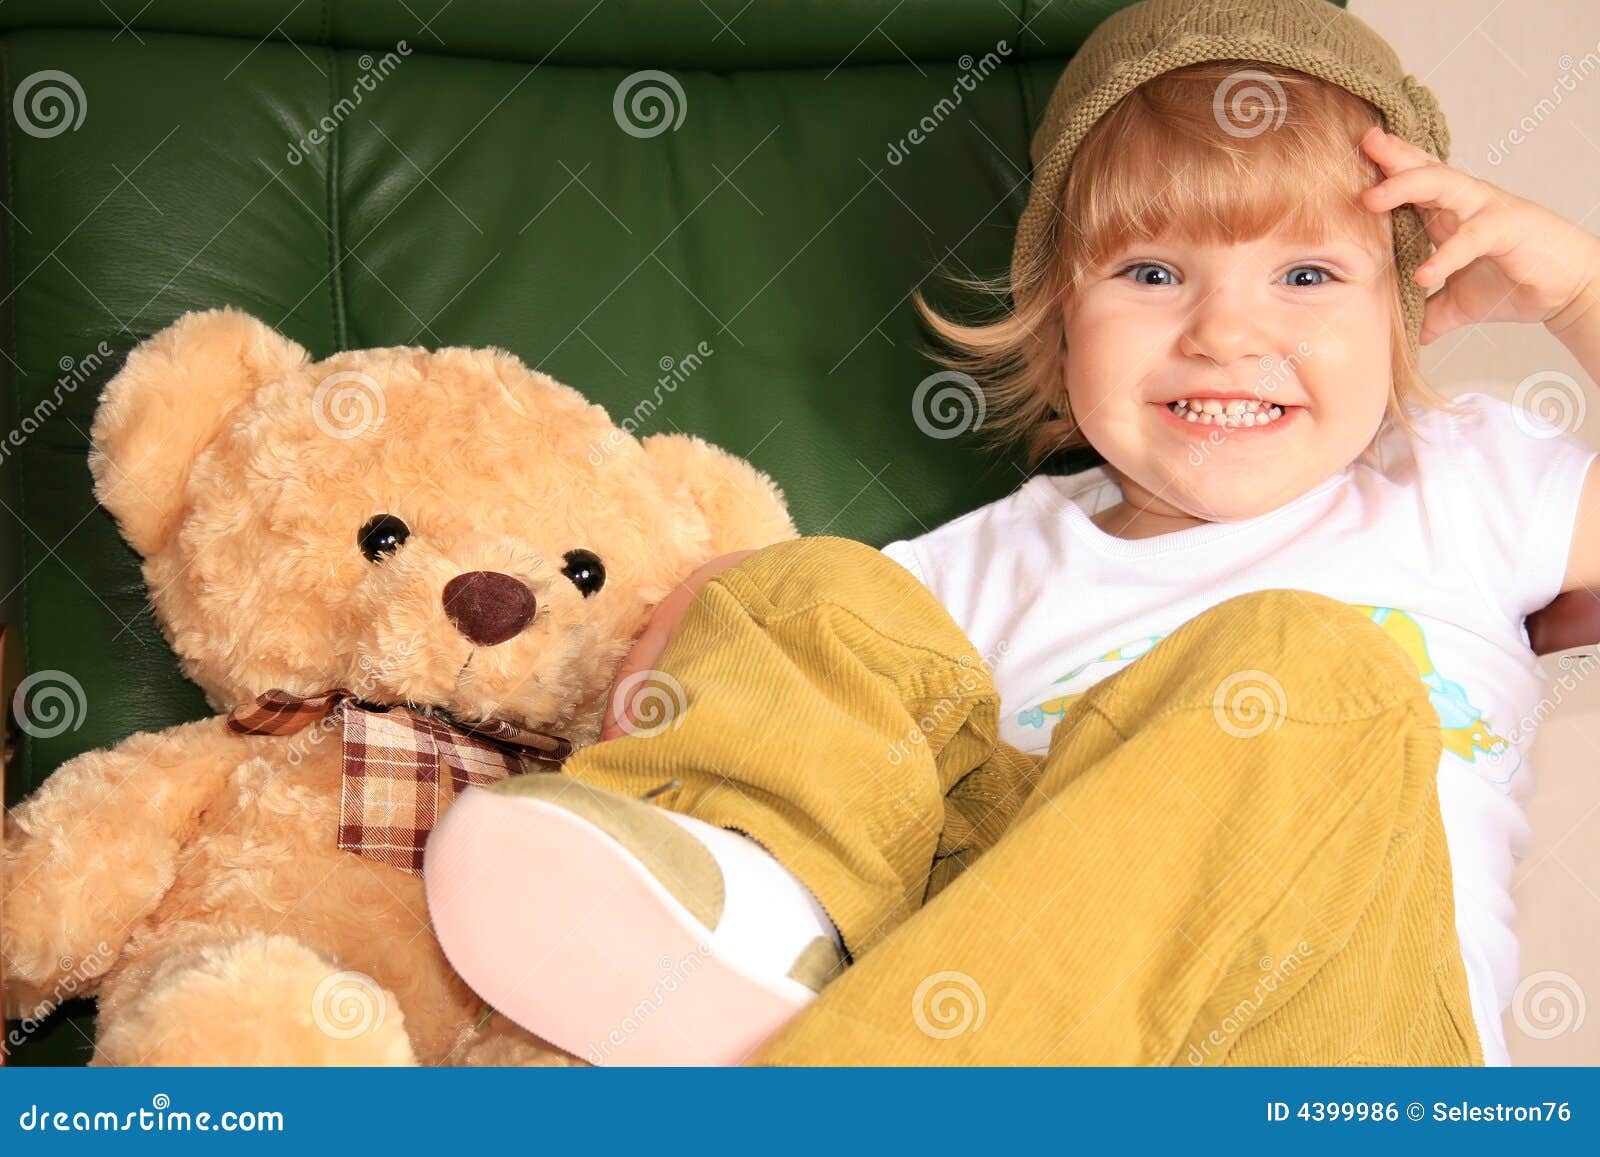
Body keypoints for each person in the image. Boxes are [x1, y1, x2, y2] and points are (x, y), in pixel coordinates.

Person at [422, 0, 1600, 1067]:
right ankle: (760, 928)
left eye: (1304, 273)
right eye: (1150, 271)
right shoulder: (972, 571)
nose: (1226, 333)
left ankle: (848, 1078)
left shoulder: (1464, 479)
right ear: (1057, 320)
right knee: (808, 594)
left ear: (1402, 311)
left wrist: (1578, 295)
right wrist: (726, 616)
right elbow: (745, 673)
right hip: (1023, 1028)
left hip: (1332, 1067)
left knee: (1310, 672)